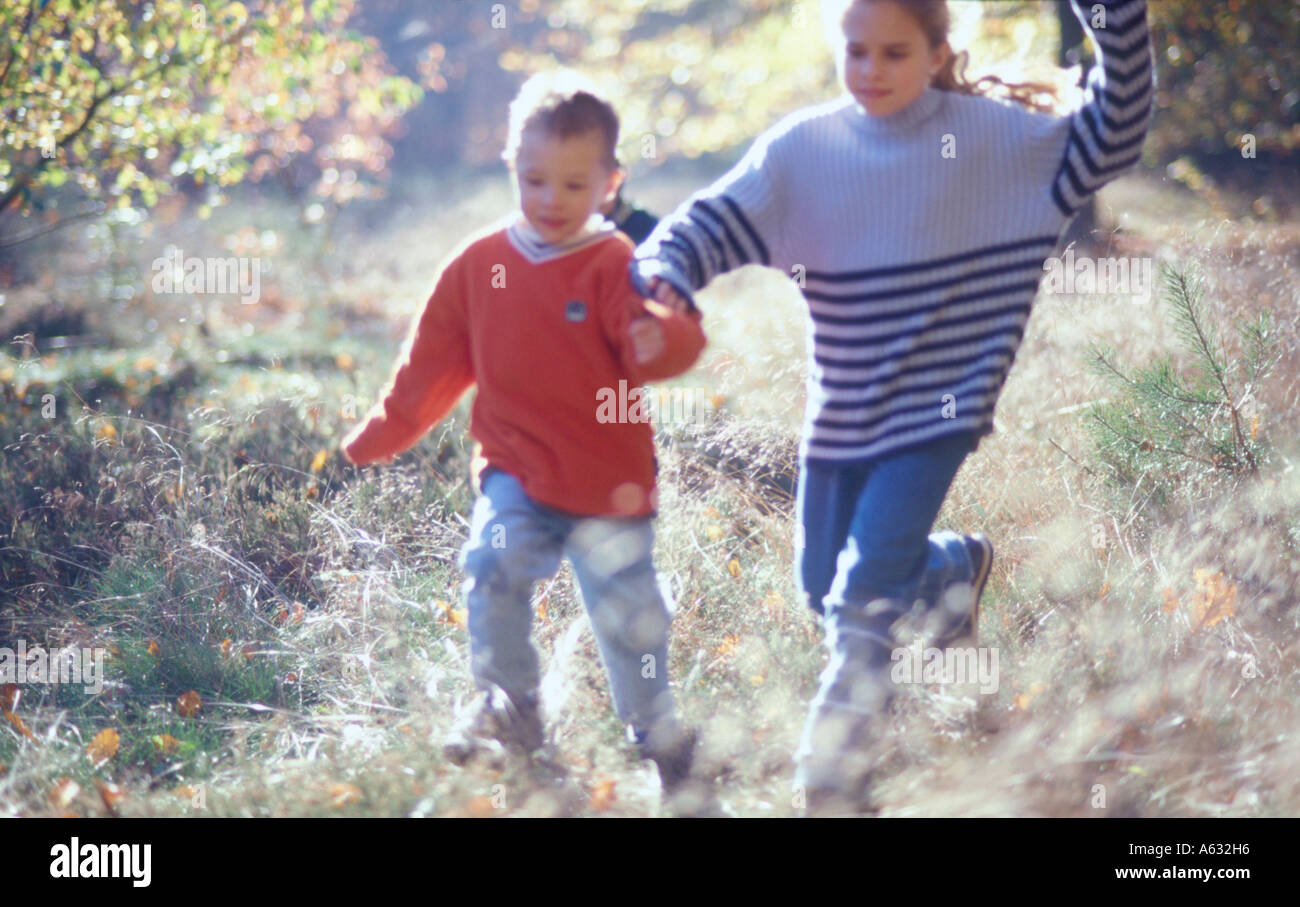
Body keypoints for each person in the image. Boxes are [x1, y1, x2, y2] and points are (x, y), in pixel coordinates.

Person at [630, 0, 1154, 814]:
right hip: (844, 412)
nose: (870, 70)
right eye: (856, 51)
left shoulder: (993, 141)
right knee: (820, 588)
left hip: (939, 411)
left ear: (940, 50)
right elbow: (713, 221)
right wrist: (660, 272)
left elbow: (1114, 133)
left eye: (894, 53)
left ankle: (835, 772)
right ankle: (952, 569)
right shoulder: (807, 150)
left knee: (862, 597)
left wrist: (1117, 23)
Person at [340, 70, 709, 806]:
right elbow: (434, 360)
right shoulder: (480, 266)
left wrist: (652, 340)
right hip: (515, 466)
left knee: (629, 617)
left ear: (610, 184)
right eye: (535, 179)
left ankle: (658, 735)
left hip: (610, 479)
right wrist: (384, 430)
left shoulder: (613, 263)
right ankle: (512, 707)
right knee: (492, 564)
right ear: (512, 165)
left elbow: (674, 336)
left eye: (574, 186)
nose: (550, 200)